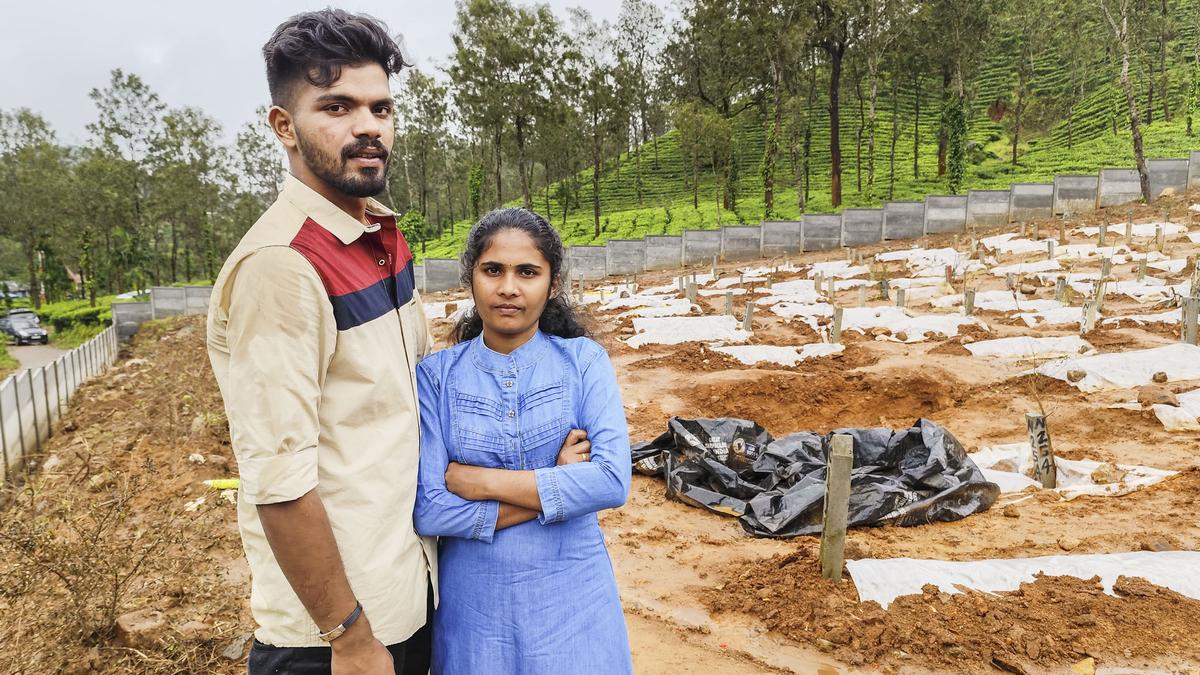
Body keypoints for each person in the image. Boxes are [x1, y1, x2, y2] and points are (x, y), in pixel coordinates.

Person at [206, 9, 435, 674]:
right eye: (337, 107)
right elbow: (278, 481)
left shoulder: (380, 238)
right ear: (284, 127)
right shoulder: (282, 267)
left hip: (405, 592)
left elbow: (403, 403)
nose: (368, 126)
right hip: (333, 642)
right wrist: (351, 638)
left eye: (380, 108)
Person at [413, 208, 633, 674]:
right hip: (476, 614)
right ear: (471, 279)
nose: (509, 287)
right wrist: (557, 481)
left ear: (552, 285)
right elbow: (430, 509)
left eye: (528, 272)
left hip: (575, 604)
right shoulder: (436, 377)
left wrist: (480, 481)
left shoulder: (583, 362)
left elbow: (612, 481)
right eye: (493, 270)